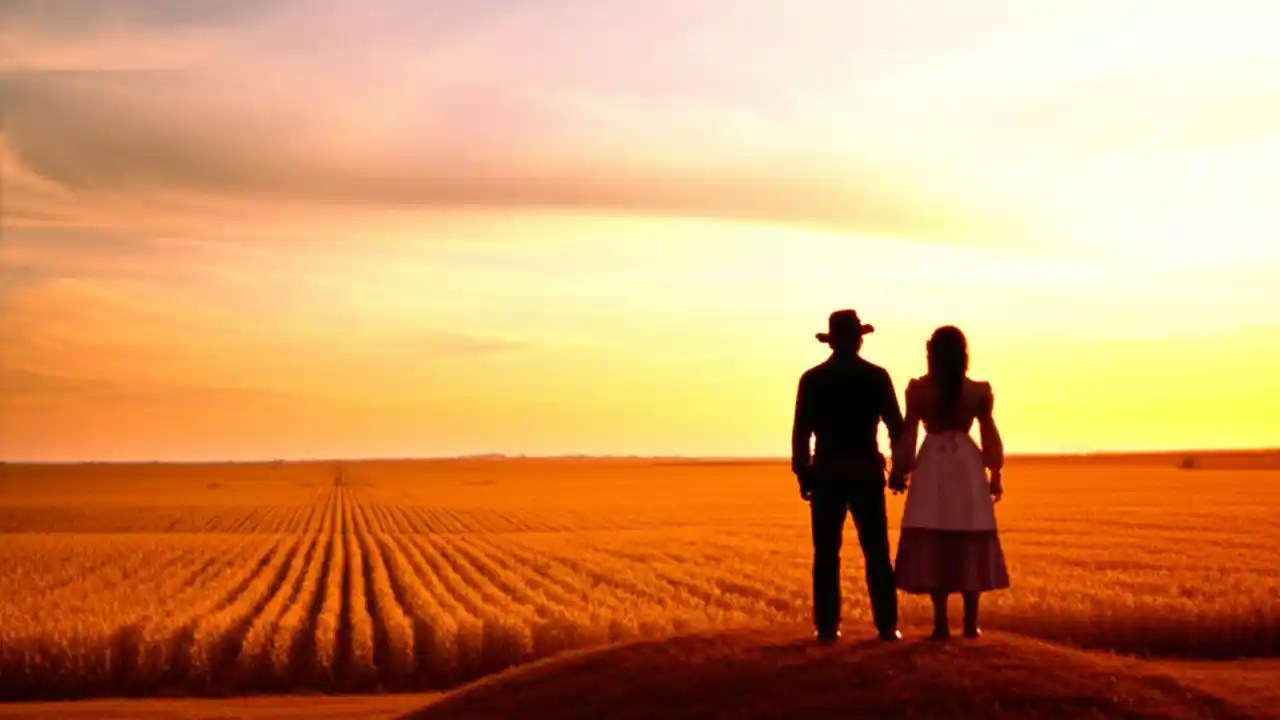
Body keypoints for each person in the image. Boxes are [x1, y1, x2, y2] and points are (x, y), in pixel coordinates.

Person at [792, 309, 907, 643]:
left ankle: (827, 627)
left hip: (826, 473)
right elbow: (896, 428)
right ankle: (887, 626)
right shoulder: (876, 376)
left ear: (832, 340)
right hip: (866, 473)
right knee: (877, 552)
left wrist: (804, 472)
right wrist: (898, 470)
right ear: (858, 339)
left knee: (826, 554)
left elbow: (801, 432)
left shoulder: (812, 379)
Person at [892, 326, 1010, 640]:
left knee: (936, 534)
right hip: (967, 467)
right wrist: (995, 473)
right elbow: (989, 435)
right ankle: (971, 622)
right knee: (969, 532)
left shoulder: (918, 390)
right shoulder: (978, 391)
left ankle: (941, 622)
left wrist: (901, 469)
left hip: (932, 464)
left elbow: (908, 431)